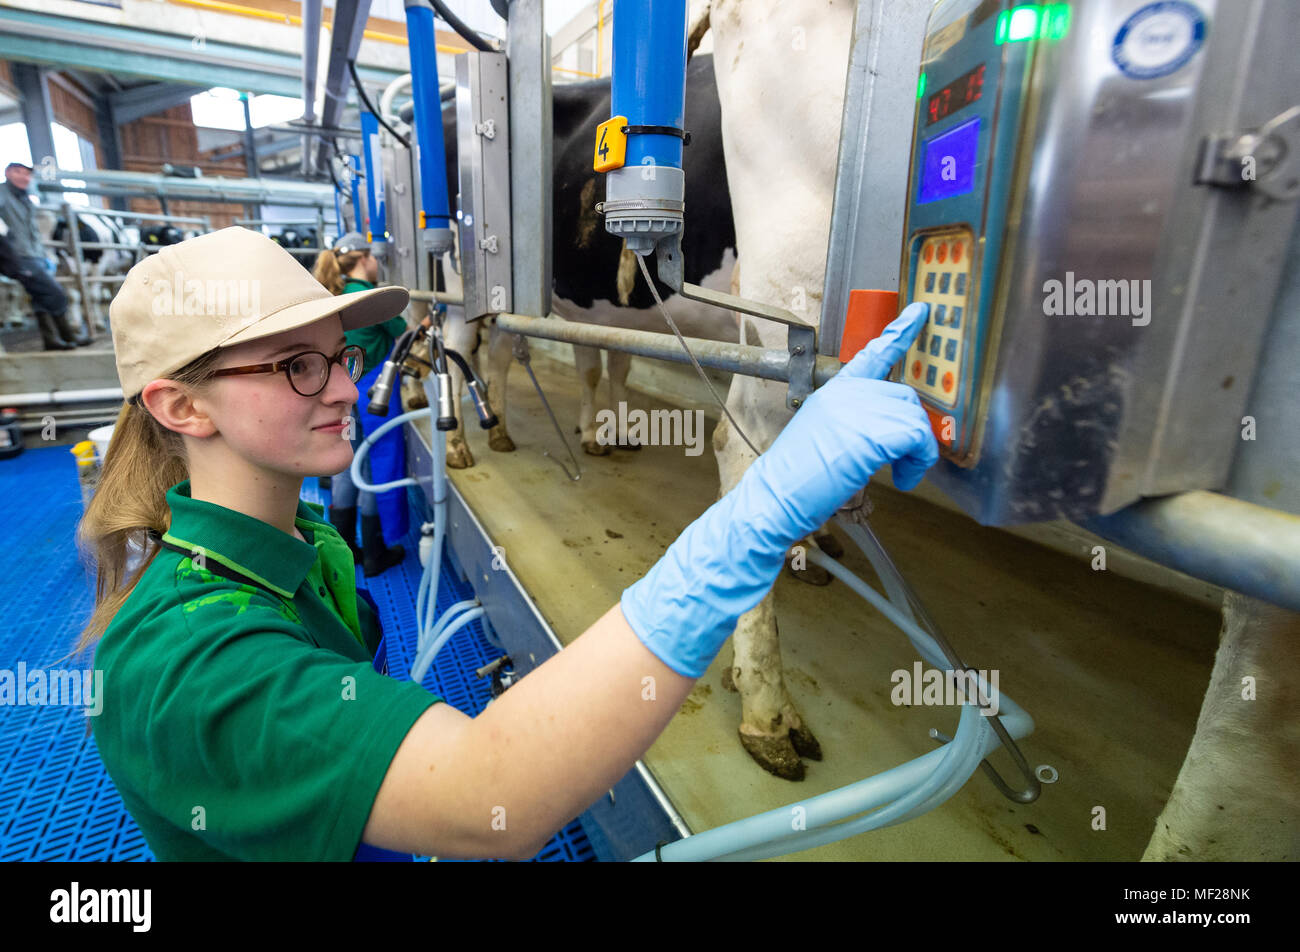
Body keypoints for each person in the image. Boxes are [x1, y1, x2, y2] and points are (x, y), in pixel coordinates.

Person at [78, 226, 938, 861]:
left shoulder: (293, 538)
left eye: (339, 354)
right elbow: (494, 792)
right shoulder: (185, 660)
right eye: (297, 365)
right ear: (180, 407)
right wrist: (754, 522)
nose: (345, 385)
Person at [311, 232, 411, 575]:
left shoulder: (333, 293)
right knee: (375, 466)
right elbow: (403, 330)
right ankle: (375, 553)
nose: (376, 262)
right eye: (373, 256)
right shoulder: (368, 298)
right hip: (371, 395)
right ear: (364, 258)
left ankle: (345, 548)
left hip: (342, 392)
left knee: (346, 469)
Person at [0, 161, 89, 350]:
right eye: (18, 172)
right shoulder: (2, 193)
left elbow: (32, 229)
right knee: (56, 293)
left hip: (35, 255)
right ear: (7, 173)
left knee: (40, 297)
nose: (24, 177)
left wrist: (43, 255)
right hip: (19, 256)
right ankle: (69, 334)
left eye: (27, 174)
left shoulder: (26, 197)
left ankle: (51, 340)